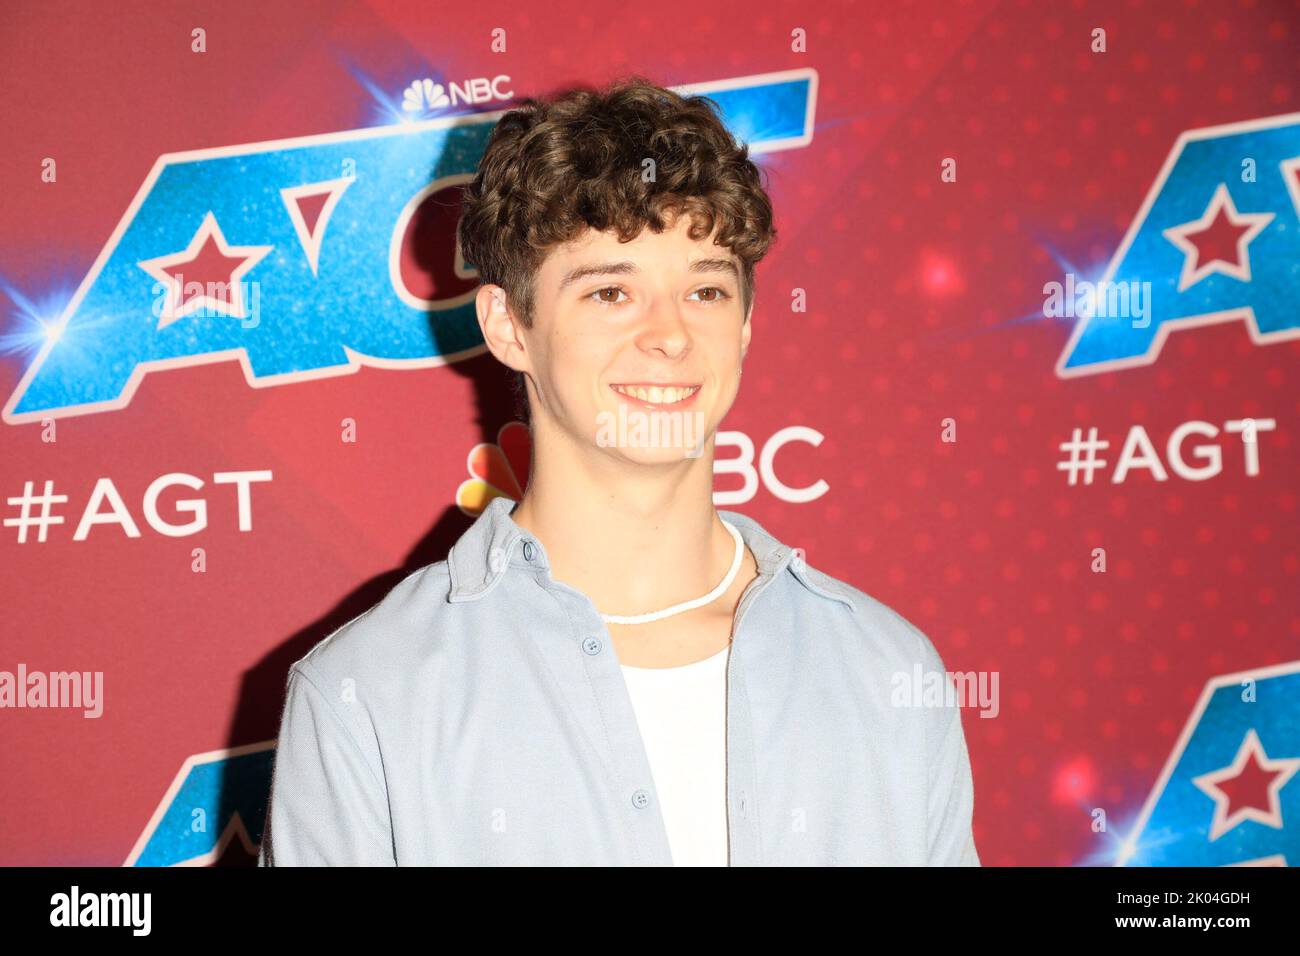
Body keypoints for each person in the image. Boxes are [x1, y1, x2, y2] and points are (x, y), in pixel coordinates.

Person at [259, 75, 980, 866]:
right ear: (508, 325)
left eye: (705, 289)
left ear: (745, 325)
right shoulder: (369, 696)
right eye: (611, 292)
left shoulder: (888, 670)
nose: (670, 334)